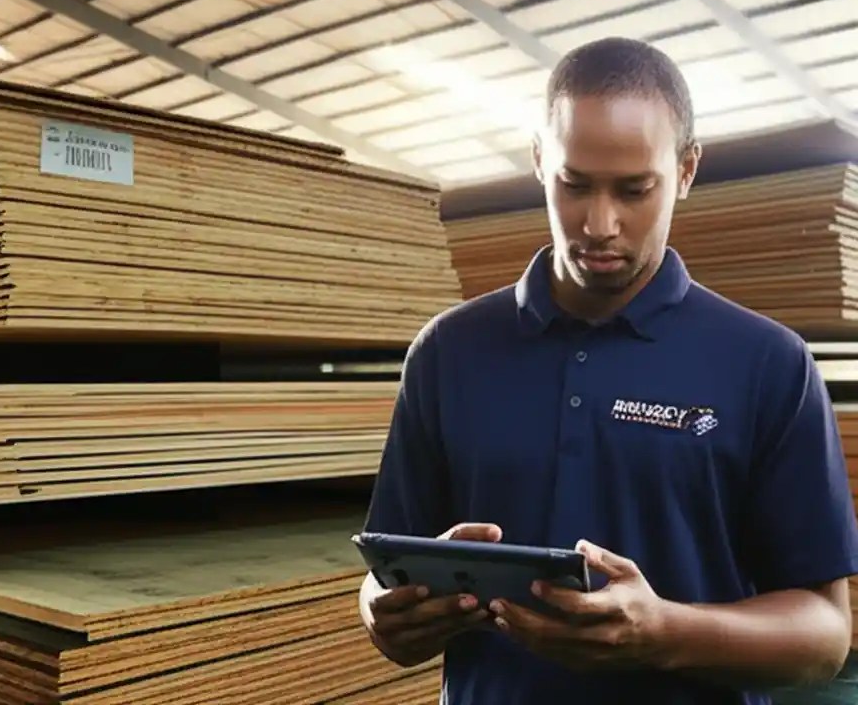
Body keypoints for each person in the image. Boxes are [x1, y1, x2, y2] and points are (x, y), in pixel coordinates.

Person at [358, 36, 858, 704]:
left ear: (685, 170)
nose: (599, 223)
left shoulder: (769, 364)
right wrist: (382, 612)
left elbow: (825, 636)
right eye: (574, 184)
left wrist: (664, 632)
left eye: (634, 189)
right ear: (540, 161)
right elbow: (384, 573)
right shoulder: (449, 352)